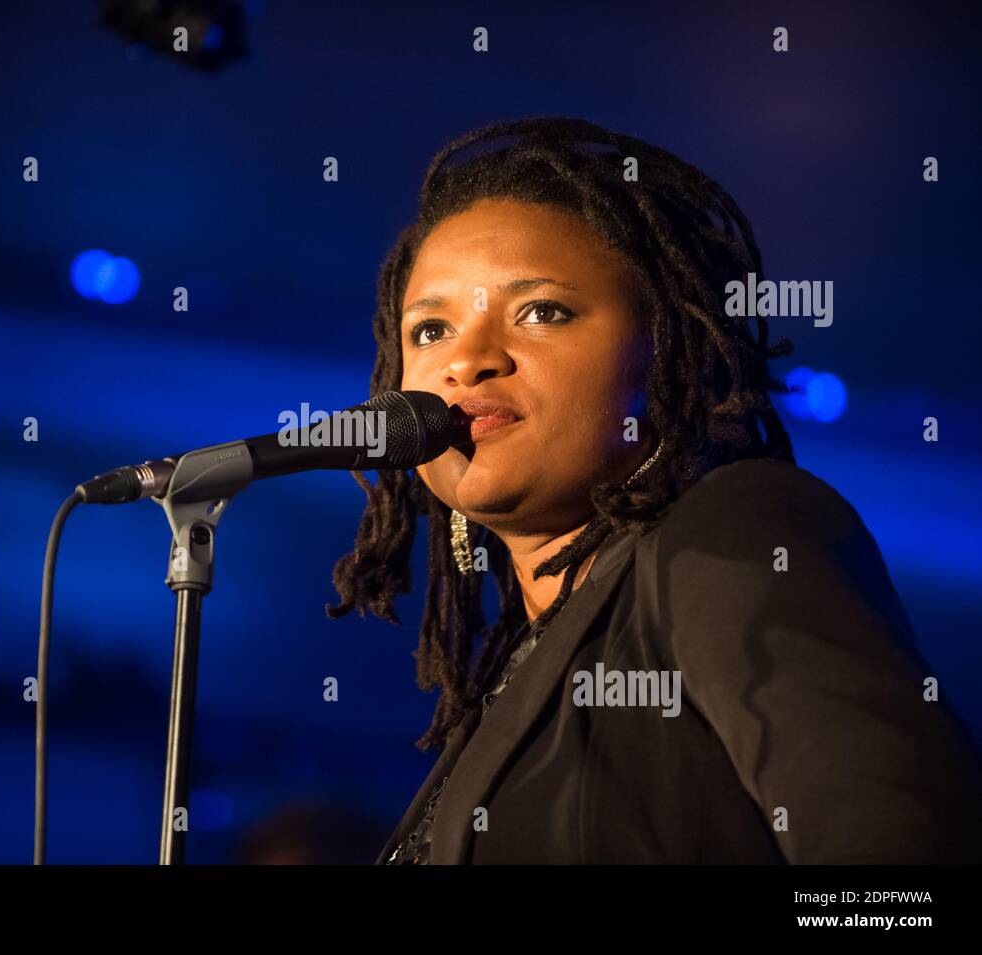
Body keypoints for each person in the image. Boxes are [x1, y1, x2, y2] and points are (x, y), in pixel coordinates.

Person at [327, 117, 982, 864]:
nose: (465, 360)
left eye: (542, 311)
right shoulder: (523, 669)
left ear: (666, 349)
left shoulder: (734, 526)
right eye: (430, 330)